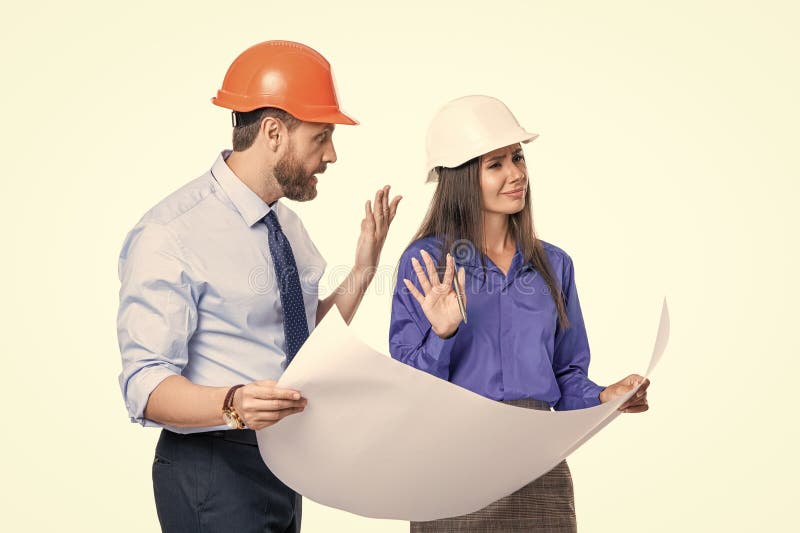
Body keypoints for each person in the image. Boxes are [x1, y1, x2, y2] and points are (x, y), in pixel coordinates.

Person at [117, 40, 401, 533]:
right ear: (274, 131)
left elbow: (300, 334)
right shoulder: (171, 233)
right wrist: (233, 403)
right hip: (213, 466)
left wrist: (363, 270)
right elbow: (144, 383)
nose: (332, 154)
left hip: (284, 462)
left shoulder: (287, 227)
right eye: (322, 136)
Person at [389, 95, 649, 532]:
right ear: (462, 177)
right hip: (451, 468)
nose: (516, 174)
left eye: (518, 157)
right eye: (496, 164)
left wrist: (606, 396)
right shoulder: (427, 262)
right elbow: (408, 387)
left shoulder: (554, 265)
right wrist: (443, 333)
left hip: (538, 468)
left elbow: (566, 375)